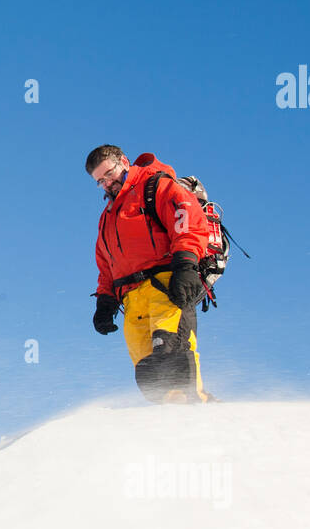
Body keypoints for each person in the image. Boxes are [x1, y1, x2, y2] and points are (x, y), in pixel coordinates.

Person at [87, 145, 215, 403]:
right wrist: (105, 301)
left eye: (109, 174)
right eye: (99, 181)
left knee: (172, 356)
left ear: (123, 161)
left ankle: (201, 415)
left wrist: (186, 265)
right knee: (150, 375)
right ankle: (168, 430)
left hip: (166, 288)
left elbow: (187, 222)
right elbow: (106, 262)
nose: (106, 183)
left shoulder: (155, 187)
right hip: (132, 302)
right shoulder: (108, 216)